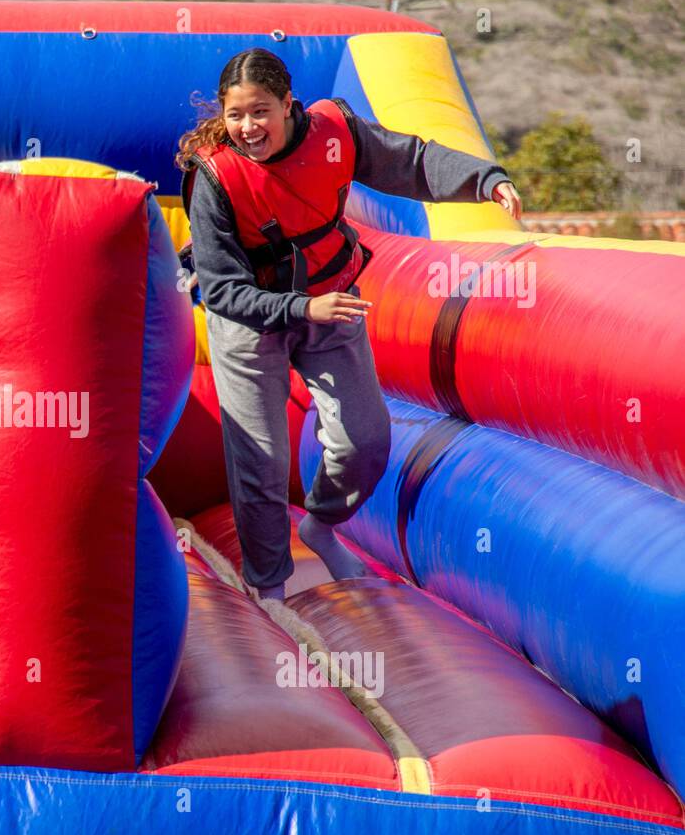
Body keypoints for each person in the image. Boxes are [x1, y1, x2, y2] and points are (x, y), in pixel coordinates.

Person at [177, 48, 522, 600]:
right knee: (262, 461)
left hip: (330, 299)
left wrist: (485, 179)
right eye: (236, 114)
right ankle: (269, 589)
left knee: (365, 442)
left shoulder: (335, 133)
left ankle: (321, 524)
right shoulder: (215, 178)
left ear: (289, 105)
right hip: (249, 319)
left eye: (261, 112)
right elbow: (220, 290)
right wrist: (298, 309)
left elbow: (410, 162)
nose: (247, 128)